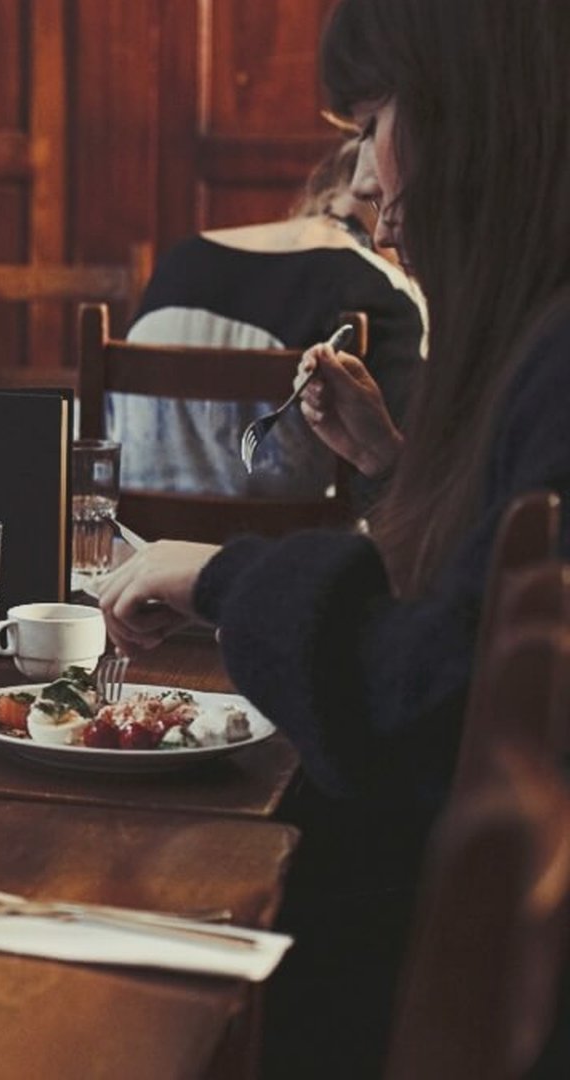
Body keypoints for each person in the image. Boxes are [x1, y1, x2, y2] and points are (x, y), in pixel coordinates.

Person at [95, 0, 570, 1072]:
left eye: (371, 124)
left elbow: (422, 702)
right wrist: (390, 463)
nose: (367, 191)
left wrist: (224, 577)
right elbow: (487, 603)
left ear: (471, 115)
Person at [111, 135, 425, 505]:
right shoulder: (383, 289)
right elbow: (409, 467)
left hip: (136, 534)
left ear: (323, 192)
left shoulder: (178, 260)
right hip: (294, 539)